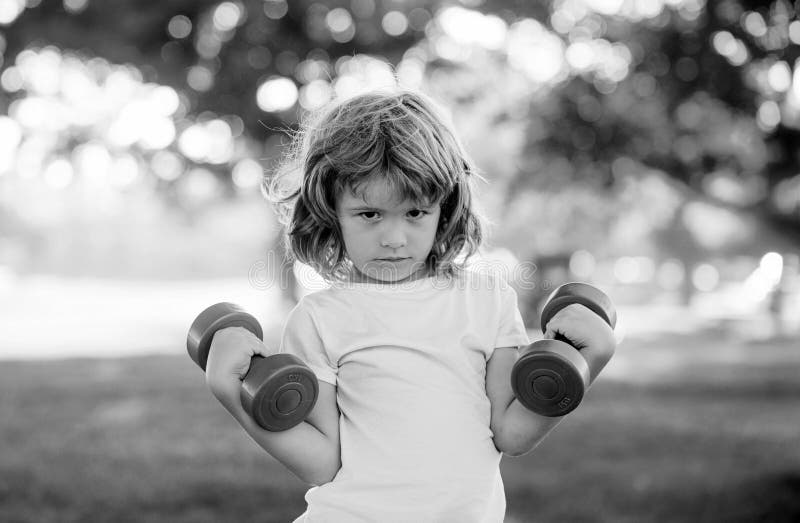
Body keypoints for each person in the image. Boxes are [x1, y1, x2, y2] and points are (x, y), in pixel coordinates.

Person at [204, 88, 617, 522]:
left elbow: (511, 432)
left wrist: (588, 361)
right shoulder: (319, 319)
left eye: (415, 212)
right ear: (331, 212)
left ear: (446, 207)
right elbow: (321, 462)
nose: (394, 238)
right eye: (369, 215)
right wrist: (231, 392)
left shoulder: (486, 300)